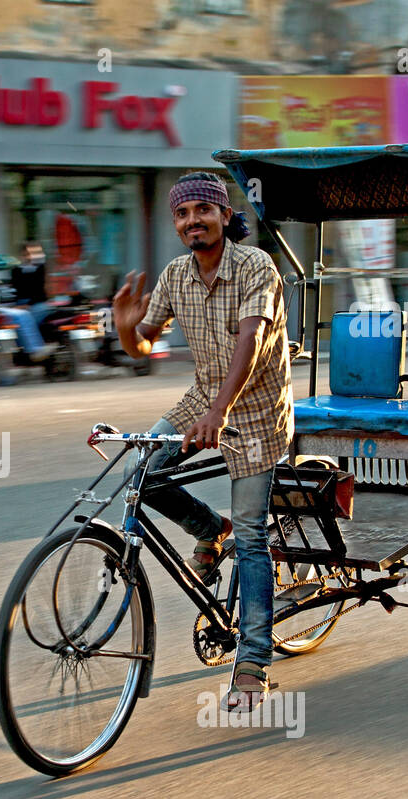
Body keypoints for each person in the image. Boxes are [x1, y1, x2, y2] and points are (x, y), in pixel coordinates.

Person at [111, 171, 294, 713]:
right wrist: (126, 330)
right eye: (183, 214)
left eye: (203, 211)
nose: (193, 221)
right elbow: (145, 343)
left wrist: (222, 412)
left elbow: (253, 338)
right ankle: (212, 530)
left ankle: (254, 661)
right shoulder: (175, 276)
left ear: (223, 215)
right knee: (140, 475)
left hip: (257, 413)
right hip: (201, 401)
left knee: (256, 538)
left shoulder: (255, 265)